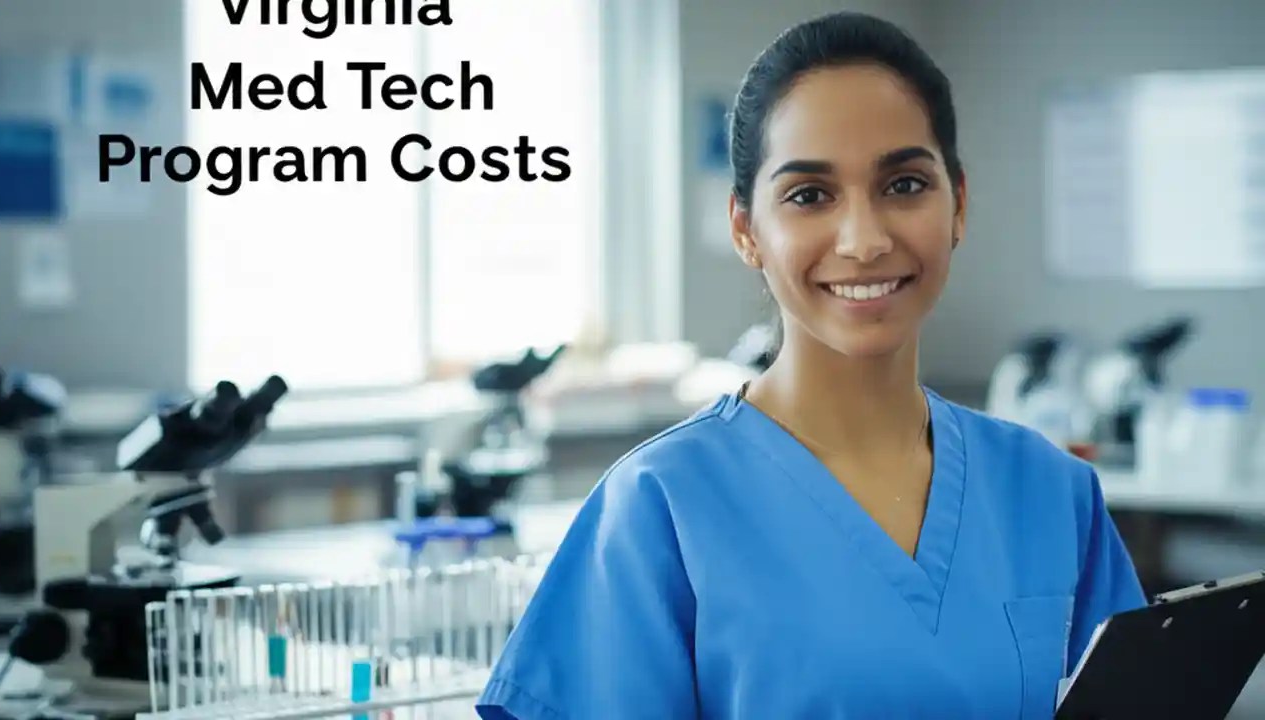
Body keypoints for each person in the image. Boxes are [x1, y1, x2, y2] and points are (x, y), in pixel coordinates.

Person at [474, 11, 1146, 720]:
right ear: (746, 230)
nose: (862, 239)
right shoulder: (661, 508)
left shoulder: (1048, 491)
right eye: (809, 196)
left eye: (905, 185)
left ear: (959, 203)